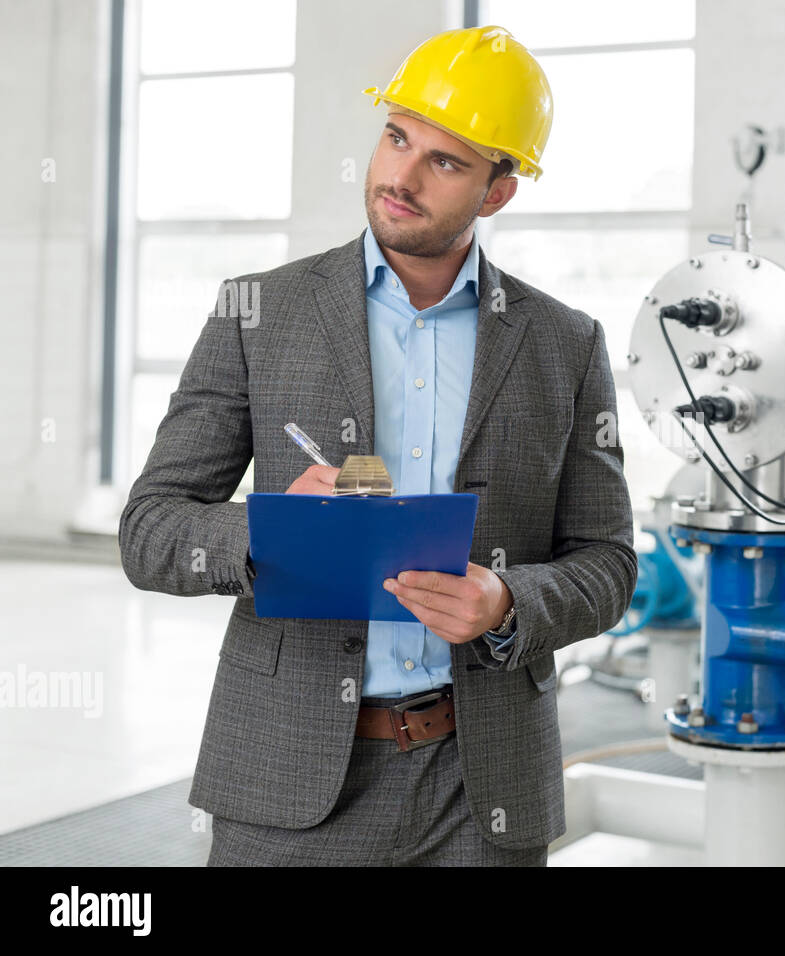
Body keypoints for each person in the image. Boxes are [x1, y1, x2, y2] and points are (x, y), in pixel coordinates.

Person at [118, 25, 637, 866]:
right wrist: (271, 531)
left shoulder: (563, 344)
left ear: (498, 191)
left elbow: (608, 564)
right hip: (288, 781)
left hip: (484, 790)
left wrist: (507, 603)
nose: (400, 175)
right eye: (397, 137)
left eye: (446, 160)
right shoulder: (260, 313)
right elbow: (149, 530)